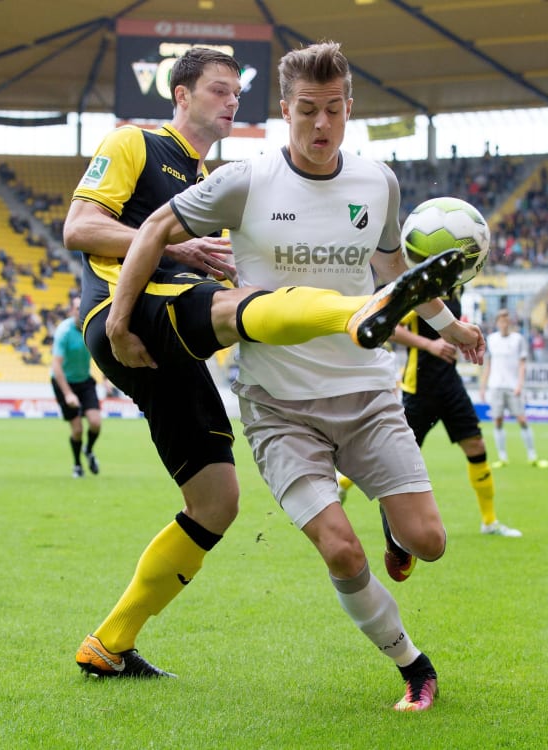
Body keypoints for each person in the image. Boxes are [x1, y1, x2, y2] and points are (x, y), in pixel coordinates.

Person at [65, 46, 466, 683]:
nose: (231, 102)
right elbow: (79, 226)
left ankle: (109, 643)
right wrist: (168, 259)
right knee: (236, 305)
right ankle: (352, 315)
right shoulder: (134, 144)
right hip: (130, 314)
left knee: (216, 501)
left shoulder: (210, 174)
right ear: (181, 94)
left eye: (235, 92)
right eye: (220, 90)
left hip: (176, 337)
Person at [390, 291, 522, 537]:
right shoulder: (419, 290)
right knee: (396, 453)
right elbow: (390, 328)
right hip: (420, 386)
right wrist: (429, 344)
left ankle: (489, 521)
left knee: (476, 444)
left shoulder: (456, 289)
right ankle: (343, 483)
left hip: (450, 383)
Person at [479, 308, 548, 468]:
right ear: (497, 323)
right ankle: (502, 457)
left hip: (513, 387)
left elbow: (522, 364)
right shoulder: (491, 339)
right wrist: (483, 387)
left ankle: (532, 455)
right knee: (497, 421)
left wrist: (520, 384)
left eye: (507, 321)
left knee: (522, 420)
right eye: (502, 321)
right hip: (496, 386)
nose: (505, 324)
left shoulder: (518, 339)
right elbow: (488, 365)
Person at [50, 297, 102, 478]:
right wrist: (68, 394)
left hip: (85, 381)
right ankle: (77, 465)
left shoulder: (91, 327)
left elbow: (101, 353)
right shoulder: (64, 332)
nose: (81, 310)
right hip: (64, 382)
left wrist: (107, 378)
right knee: (77, 429)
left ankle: (88, 450)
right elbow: (56, 366)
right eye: (77, 308)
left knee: (95, 423)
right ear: (71, 311)